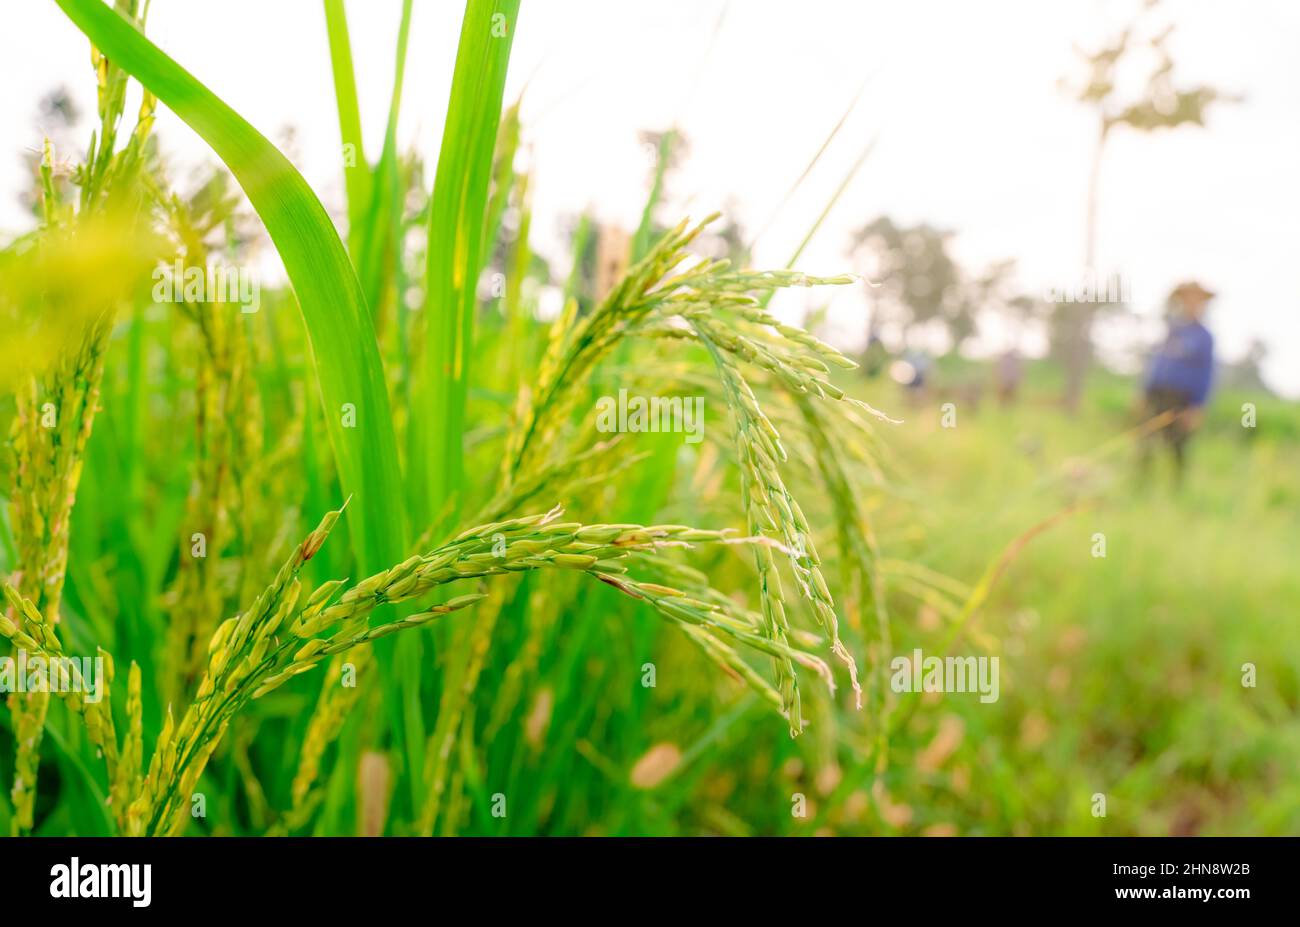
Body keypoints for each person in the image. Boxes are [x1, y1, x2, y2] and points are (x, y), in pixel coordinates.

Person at [1139, 281, 1216, 485]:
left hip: (1182, 399)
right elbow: (1156, 364)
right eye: (1187, 298)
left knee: (1178, 447)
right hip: (1158, 394)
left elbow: (1206, 374)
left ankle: (1177, 486)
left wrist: (1196, 407)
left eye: (1196, 299)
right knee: (1145, 441)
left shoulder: (1204, 337)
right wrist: (1144, 392)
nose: (1191, 303)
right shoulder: (1172, 330)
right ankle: (1141, 483)